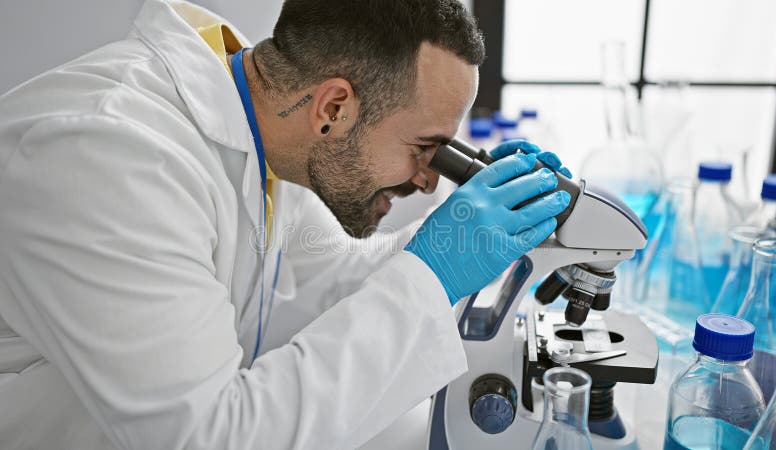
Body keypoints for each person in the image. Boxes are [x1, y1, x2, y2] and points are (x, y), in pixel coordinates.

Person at [0, 0, 571, 448]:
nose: (428, 180)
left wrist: (468, 237)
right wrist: (435, 272)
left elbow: (320, 288)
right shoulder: (109, 158)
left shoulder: (266, 132)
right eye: (426, 148)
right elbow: (210, 437)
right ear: (333, 108)